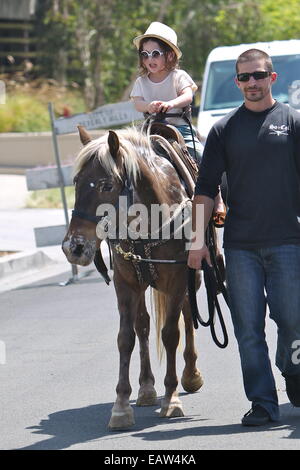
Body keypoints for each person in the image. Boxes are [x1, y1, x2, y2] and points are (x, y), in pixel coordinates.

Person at [188, 48, 300, 426]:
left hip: (288, 240)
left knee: (293, 320)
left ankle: (292, 367)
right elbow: (204, 189)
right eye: (244, 77)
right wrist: (197, 242)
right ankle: (264, 403)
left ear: (272, 78)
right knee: (248, 329)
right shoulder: (223, 130)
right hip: (240, 248)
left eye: (258, 75)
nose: (251, 83)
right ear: (237, 82)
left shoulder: (293, 122)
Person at [130, 21, 225, 225]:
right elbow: (137, 103)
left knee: (199, 154)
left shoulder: (178, 76)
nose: (150, 59)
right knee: (130, 157)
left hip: (178, 128)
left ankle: (217, 198)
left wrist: (170, 103)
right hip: (151, 129)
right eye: (145, 54)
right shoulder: (141, 82)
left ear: (170, 55)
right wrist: (149, 106)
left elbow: (188, 96)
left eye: (155, 53)